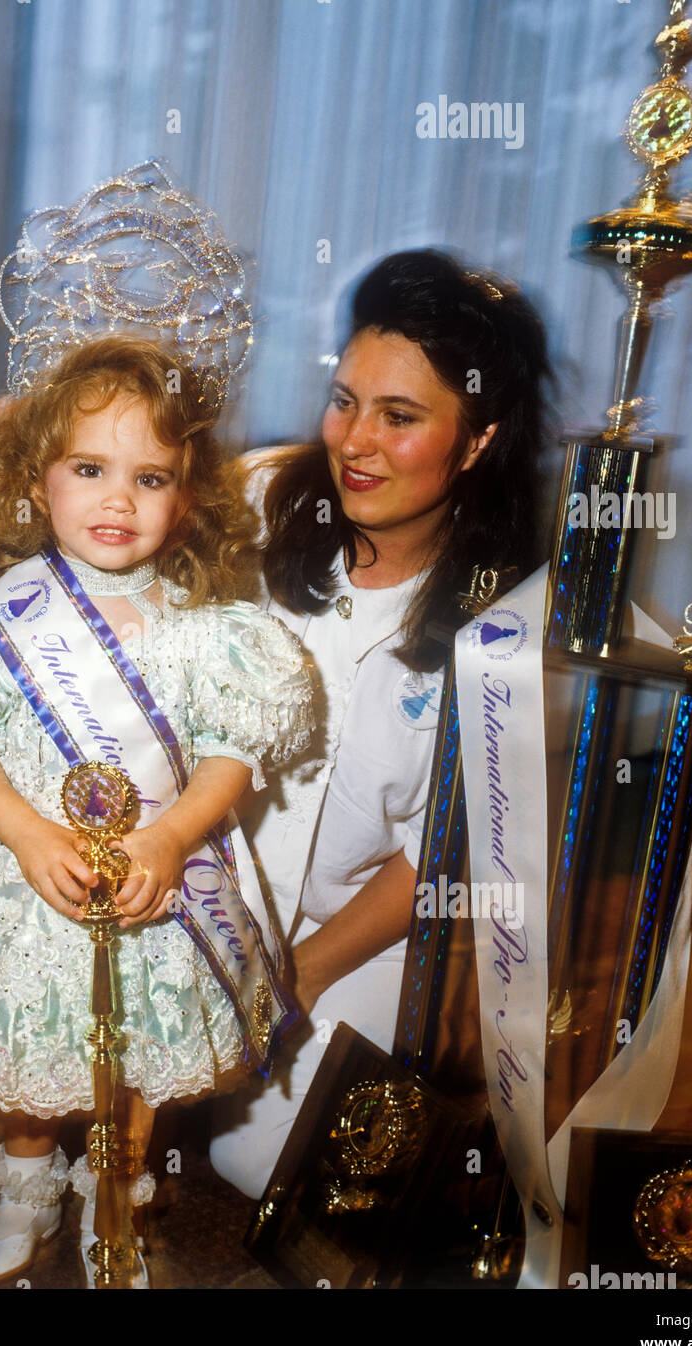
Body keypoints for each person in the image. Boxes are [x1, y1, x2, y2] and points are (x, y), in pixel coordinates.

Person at [0, 336, 312, 1287]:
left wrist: (172, 836)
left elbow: (232, 761)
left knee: (138, 1060)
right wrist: (28, 836)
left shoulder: (214, 633)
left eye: (151, 476)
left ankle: (114, 1205)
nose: (119, 499)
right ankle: (27, 1186)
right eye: (89, 468)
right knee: (32, 1046)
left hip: (158, 883)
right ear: (37, 480)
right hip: (31, 880)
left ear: (189, 496)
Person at [210, 248, 551, 1200]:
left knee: (276, 1166)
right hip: (195, 893)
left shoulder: (507, 619)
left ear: (476, 440)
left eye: (400, 417)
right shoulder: (254, 499)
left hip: (350, 925)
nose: (354, 441)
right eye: (344, 399)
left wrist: (302, 973)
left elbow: (442, 849)